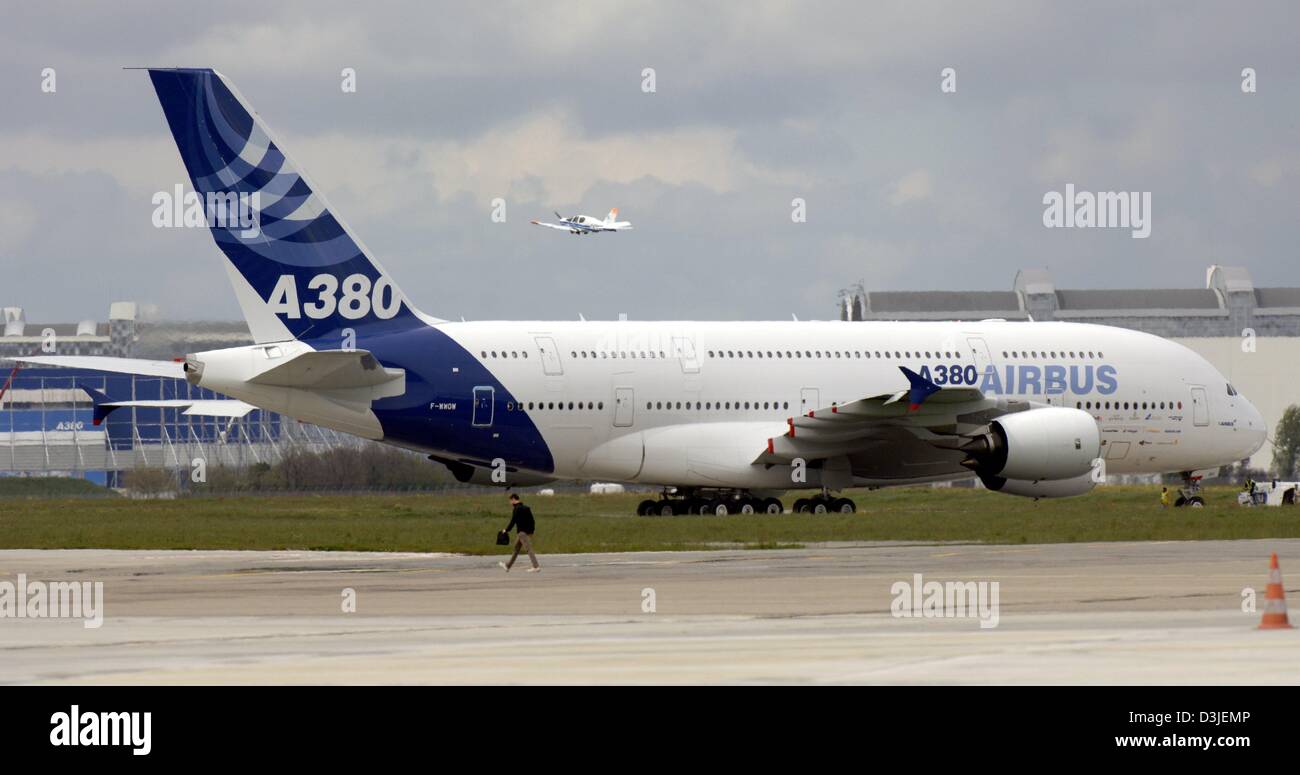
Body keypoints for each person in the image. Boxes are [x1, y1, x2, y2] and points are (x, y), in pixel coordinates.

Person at [499, 493, 540, 572]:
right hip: (525, 532)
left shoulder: (516, 509)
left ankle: (536, 566)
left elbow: (513, 521)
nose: (510, 503)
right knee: (516, 549)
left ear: (513, 499)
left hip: (522, 533)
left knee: (529, 549)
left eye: (510, 501)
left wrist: (506, 530)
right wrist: (531, 531)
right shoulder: (526, 508)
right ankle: (508, 566)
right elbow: (532, 521)